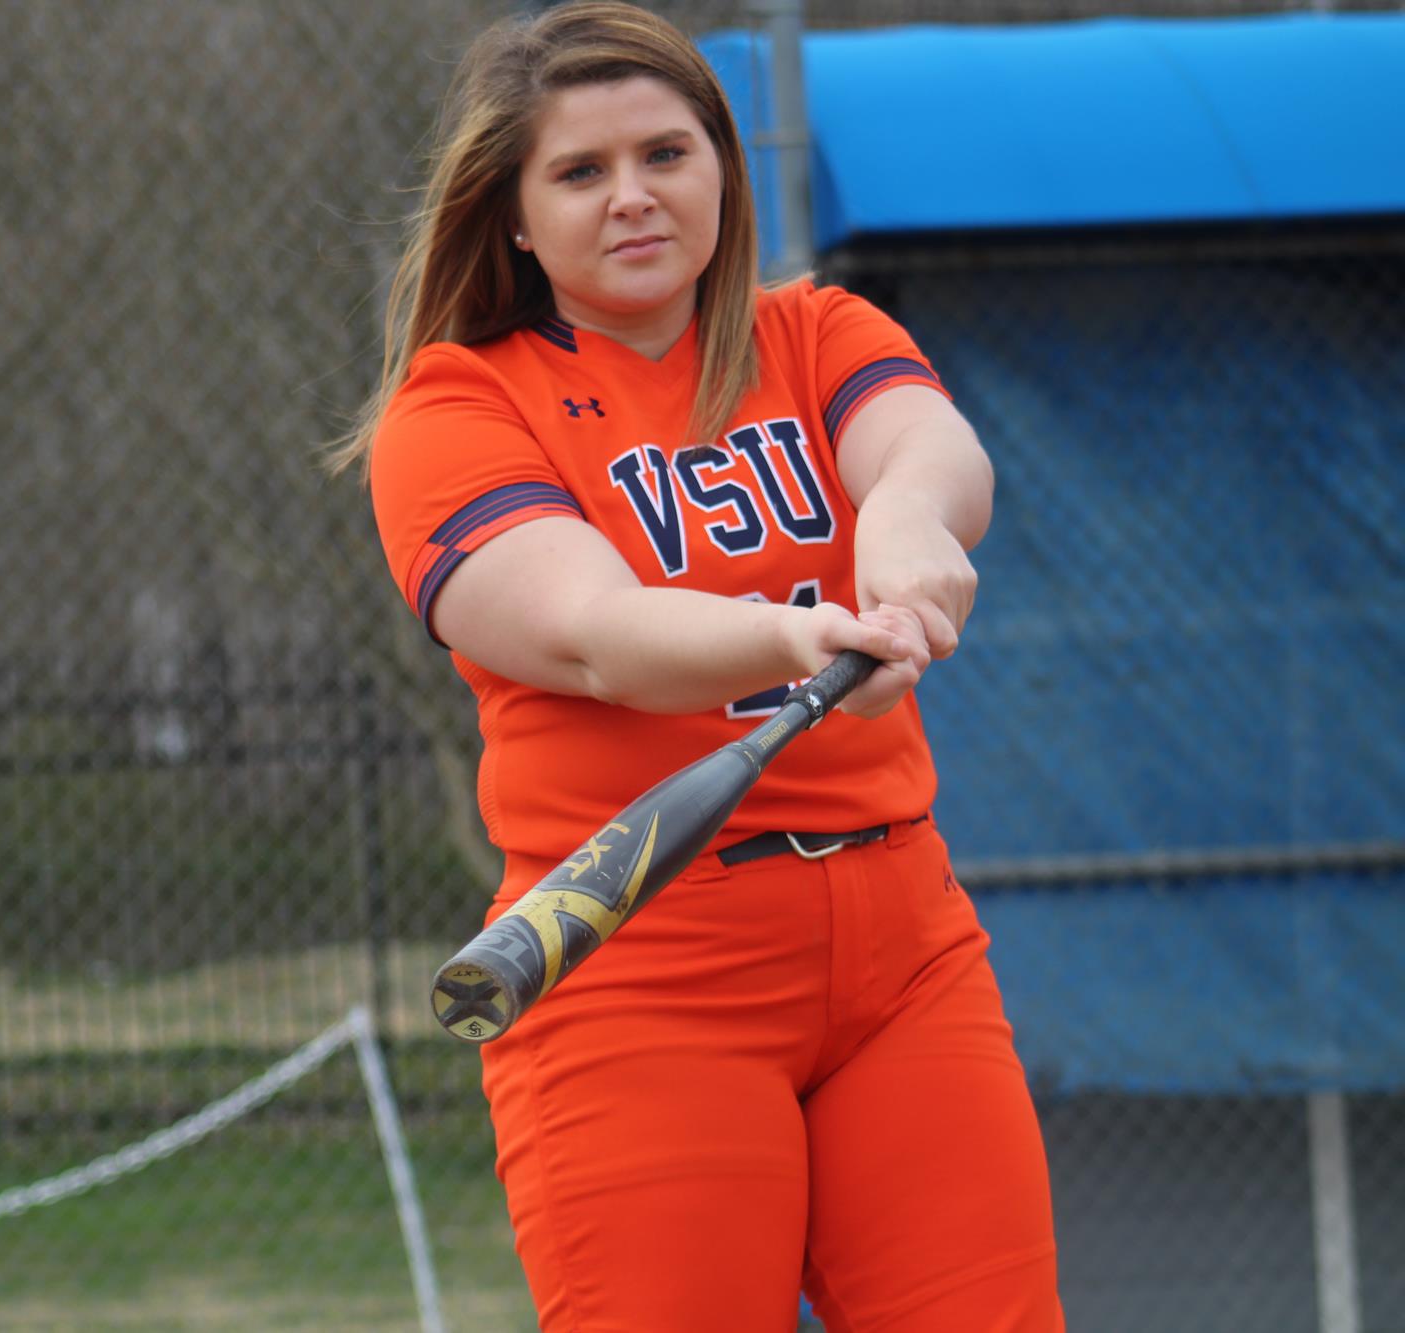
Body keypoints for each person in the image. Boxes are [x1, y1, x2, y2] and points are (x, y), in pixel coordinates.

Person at [336, 4, 1063, 1329]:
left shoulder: (814, 330)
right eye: (580, 171)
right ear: (511, 212)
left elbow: (932, 449)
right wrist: (796, 637)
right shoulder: (456, 407)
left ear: (721, 165)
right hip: (642, 963)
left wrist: (899, 528)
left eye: (666, 153)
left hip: (903, 943)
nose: (632, 197)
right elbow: (593, 634)